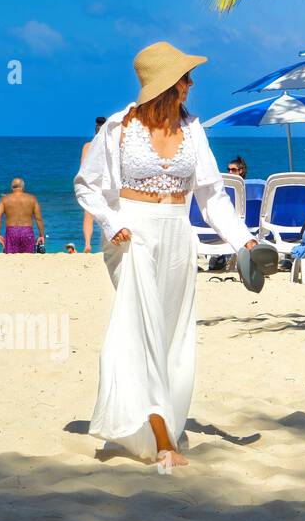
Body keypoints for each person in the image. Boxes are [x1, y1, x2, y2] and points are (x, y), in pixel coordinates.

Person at [75, 41, 259, 469]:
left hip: (178, 232)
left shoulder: (193, 130)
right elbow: (86, 185)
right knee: (142, 330)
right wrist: (107, 221)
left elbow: (212, 196)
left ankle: (161, 422)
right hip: (130, 235)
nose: (191, 85)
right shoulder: (118, 128)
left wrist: (244, 242)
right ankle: (162, 442)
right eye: (184, 78)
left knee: (172, 334)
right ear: (166, 86)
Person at [0, 178, 44, 254]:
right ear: (23, 187)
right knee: (29, 257)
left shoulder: (4, 199)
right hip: (27, 232)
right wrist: (41, 235)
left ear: (11, 187)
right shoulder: (32, 199)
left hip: (12, 232)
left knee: (11, 258)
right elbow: (38, 218)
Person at [80, 117, 107, 252]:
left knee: (88, 215)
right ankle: (107, 242)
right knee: (108, 214)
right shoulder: (110, 146)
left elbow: (83, 168)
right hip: (106, 183)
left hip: (91, 184)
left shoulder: (88, 146)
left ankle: (87, 244)